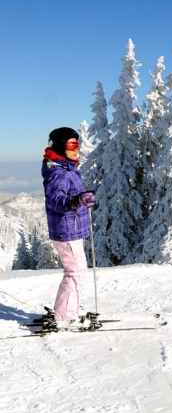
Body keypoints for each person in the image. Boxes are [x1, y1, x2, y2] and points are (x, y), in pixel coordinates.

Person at [42, 127, 95, 329]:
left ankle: (68, 310)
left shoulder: (66, 167)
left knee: (76, 271)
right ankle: (64, 316)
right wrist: (78, 200)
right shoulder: (58, 172)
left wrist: (80, 200)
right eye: (71, 144)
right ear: (61, 146)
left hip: (70, 228)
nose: (76, 148)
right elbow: (57, 200)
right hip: (66, 231)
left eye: (77, 144)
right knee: (76, 272)